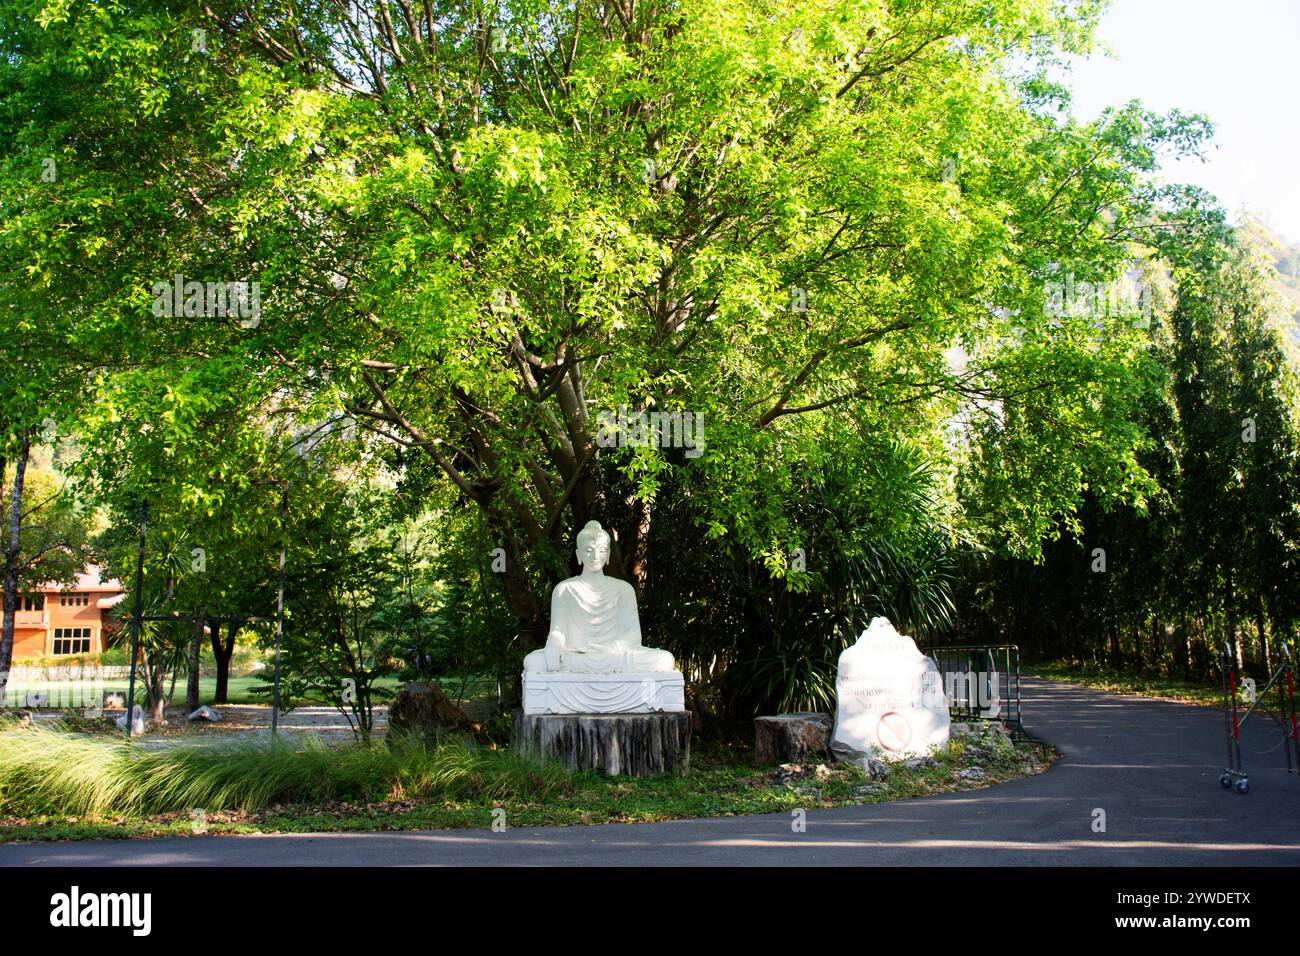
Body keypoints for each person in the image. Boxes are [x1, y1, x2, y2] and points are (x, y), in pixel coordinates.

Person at [522, 520, 675, 674]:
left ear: (608, 554)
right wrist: (553, 647)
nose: (595, 556)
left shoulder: (624, 590)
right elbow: (558, 631)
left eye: (602, 550)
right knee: (534, 663)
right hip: (576, 658)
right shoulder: (564, 589)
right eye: (589, 550)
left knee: (665, 660)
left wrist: (612, 648)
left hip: (615, 656)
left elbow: (634, 635)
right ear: (578, 554)